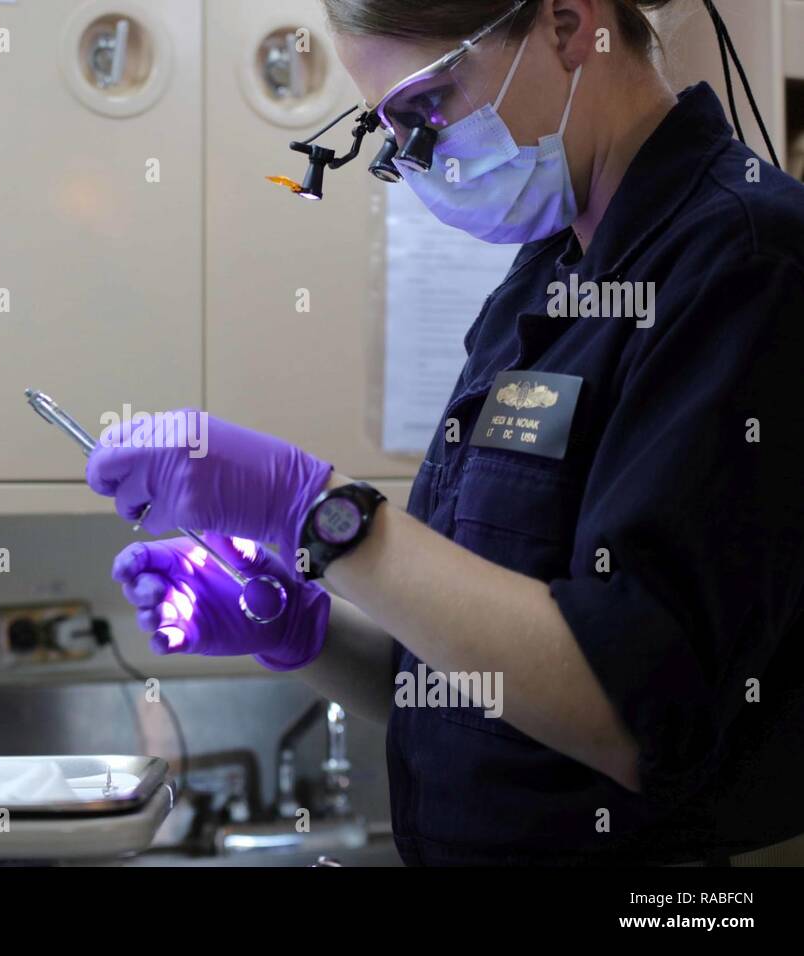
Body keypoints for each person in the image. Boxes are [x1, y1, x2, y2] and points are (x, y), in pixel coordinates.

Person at [85, 0, 804, 865]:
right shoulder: (546, 275)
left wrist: (319, 515)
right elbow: (481, 670)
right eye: (390, 128)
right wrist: (302, 628)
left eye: (427, 105)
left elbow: (636, 715)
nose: (419, 154)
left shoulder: (748, 263)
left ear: (569, 26)